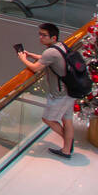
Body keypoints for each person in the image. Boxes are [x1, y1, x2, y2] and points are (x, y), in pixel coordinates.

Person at [17, 22, 75, 158]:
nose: (41, 38)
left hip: (59, 94)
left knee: (48, 119)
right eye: (40, 35)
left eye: (44, 35)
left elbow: (36, 68)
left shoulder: (50, 52)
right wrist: (31, 55)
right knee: (67, 120)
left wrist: (23, 59)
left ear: (53, 38)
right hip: (70, 90)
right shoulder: (61, 47)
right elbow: (49, 60)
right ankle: (66, 149)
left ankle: (68, 142)